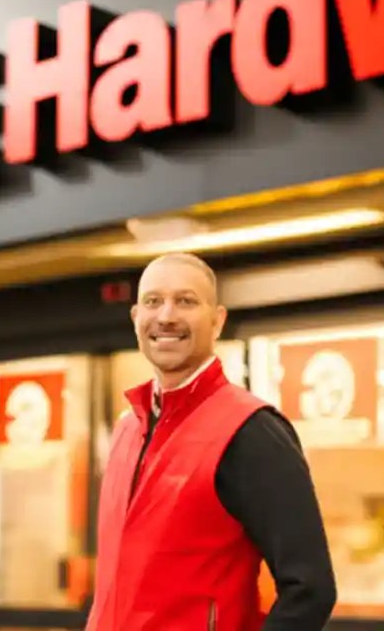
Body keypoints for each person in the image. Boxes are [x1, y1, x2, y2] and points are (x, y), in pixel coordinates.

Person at [86, 252, 337, 631]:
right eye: (153, 301)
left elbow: (310, 589)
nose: (167, 316)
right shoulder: (127, 429)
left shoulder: (251, 431)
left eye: (186, 301)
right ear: (136, 317)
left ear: (217, 320)